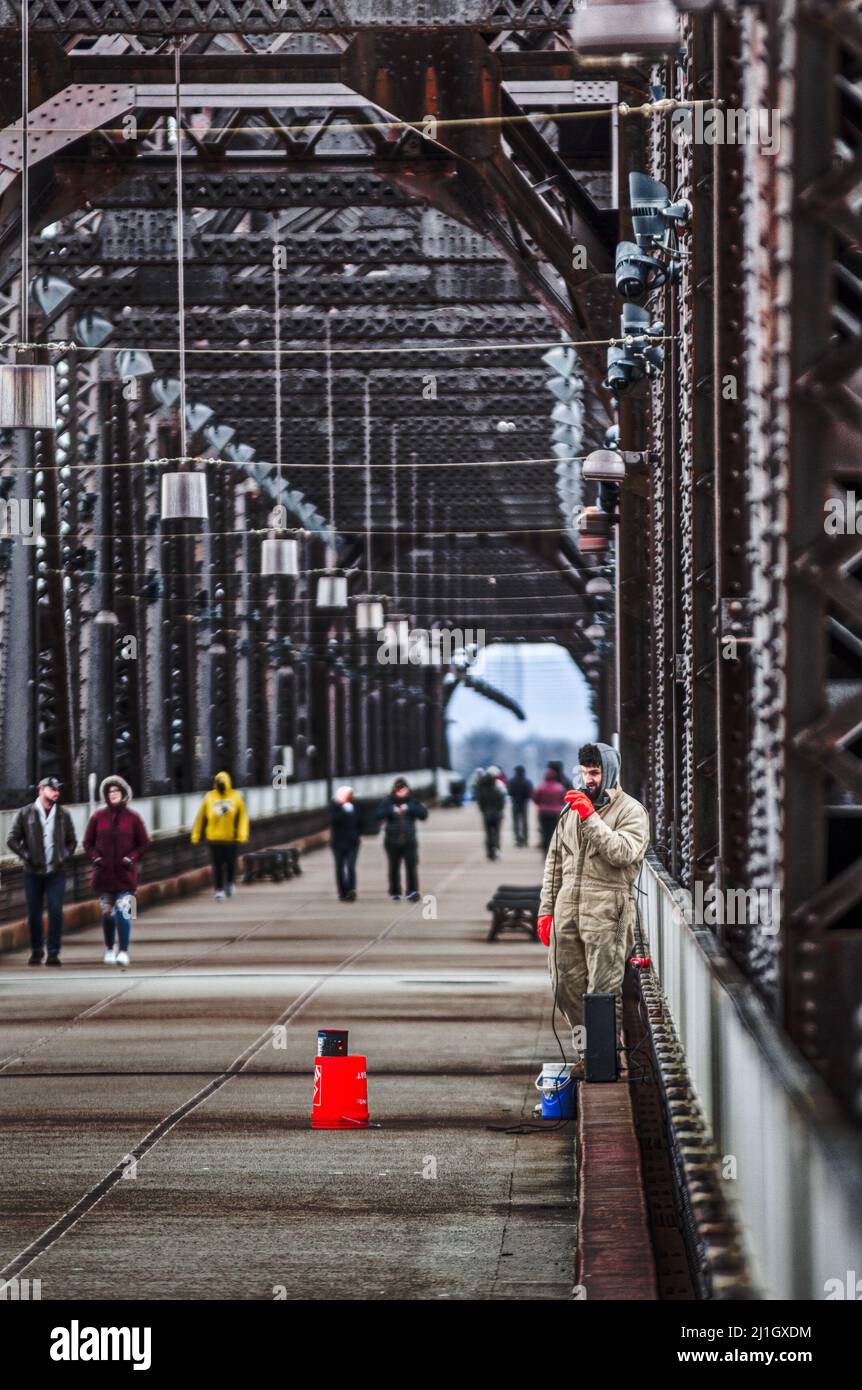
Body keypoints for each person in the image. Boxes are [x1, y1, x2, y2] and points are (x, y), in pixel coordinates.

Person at [537, 742, 650, 1072]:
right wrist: (546, 909)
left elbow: (623, 853)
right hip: (566, 906)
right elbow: (555, 861)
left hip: (607, 907)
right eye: (586, 772)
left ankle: (603, 1058)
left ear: (610, 772)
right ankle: (587, 1050)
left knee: (602, 988)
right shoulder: (570, 810)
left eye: (596, 772)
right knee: (564, 984)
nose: (589, 779)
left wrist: (590, 818)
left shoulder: (631, 811)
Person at [7, 776, 77, 966]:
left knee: (55, 910)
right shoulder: (25, 813)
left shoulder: (63, 815)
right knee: (34, 913)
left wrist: (64, 856)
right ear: (41, 789)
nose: (56, 792)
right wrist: (26, 856)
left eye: (58, 789)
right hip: (33, 872)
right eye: (52, 789)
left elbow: (72, 841)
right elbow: (12, 839)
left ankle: (53, 952)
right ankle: (37, 951)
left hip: (56, 871)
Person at [83, 776, 150, 967]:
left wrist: (132, 858)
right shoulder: (98, 817)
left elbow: (144, 843)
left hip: (125, 875)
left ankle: (124, 951)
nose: (113, 795)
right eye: (110, 792)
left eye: (116, 791)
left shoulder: (133, 818)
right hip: (104, 875)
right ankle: (109, 948)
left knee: (124, 913)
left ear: (123, 794)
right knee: (107, 915)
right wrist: (95, 858)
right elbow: (87, 842)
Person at [191, 771, 250, 901]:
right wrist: (196, 834)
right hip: (214, 839)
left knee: (230, 864)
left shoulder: (236, 797)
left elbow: (242, 818)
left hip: (231, 839)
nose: (221, 785)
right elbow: (201, 817)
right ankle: (219, 889)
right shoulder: (209, 797)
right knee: (217, 865)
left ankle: (229, 883)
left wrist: (242, 834)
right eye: (219, 783)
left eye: (223, 783)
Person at [375, 776, 428, 902]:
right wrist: (390, 810)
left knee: (411, 866)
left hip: (409, 840)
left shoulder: (412, 801)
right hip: (392, 841)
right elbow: (378, 815)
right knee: (393, 867)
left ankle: (412, 891)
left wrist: (409, 808)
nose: (401, 793)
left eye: (403, 790)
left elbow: (423, 815)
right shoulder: (388, 801)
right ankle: (395, 891)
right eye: (398, 790)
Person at [330, 784, 361, 901]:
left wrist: (357, 834)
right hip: (338, 843)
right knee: (339, 868)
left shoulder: (355, 806)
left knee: (351, 866)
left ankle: (351, 889)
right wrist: (343, 809)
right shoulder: (335, 806)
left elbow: (360, 821)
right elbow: (334, 820)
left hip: (353, 842)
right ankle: (342, 892)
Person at [532, 765, 566, 852]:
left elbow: (536, 799)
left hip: (543, 812)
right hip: (555, 812)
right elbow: (563, 800)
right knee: (554, 831)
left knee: (544, 831)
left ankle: (545, 849)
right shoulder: (560, 787)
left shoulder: (541, 787)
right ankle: (553, 849)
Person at [475, 768, 506, 860]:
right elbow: (501, 801)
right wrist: (500, 809)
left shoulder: (482, 790)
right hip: (497, 814)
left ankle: (489, 852)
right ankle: (496, 849)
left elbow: (480, 802)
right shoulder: (497, 789)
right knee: (496, 833)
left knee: (488, 834)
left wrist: (483, 810)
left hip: (486, 814)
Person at [507, 765, 534, 847]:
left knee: (516, 822)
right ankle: (525, 839)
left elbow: (509, 792)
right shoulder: (527, 781)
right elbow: (530, 793)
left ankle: (517, 839)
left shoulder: (511, 781)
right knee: (524, 822)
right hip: (524, 803)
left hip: (515, 802)